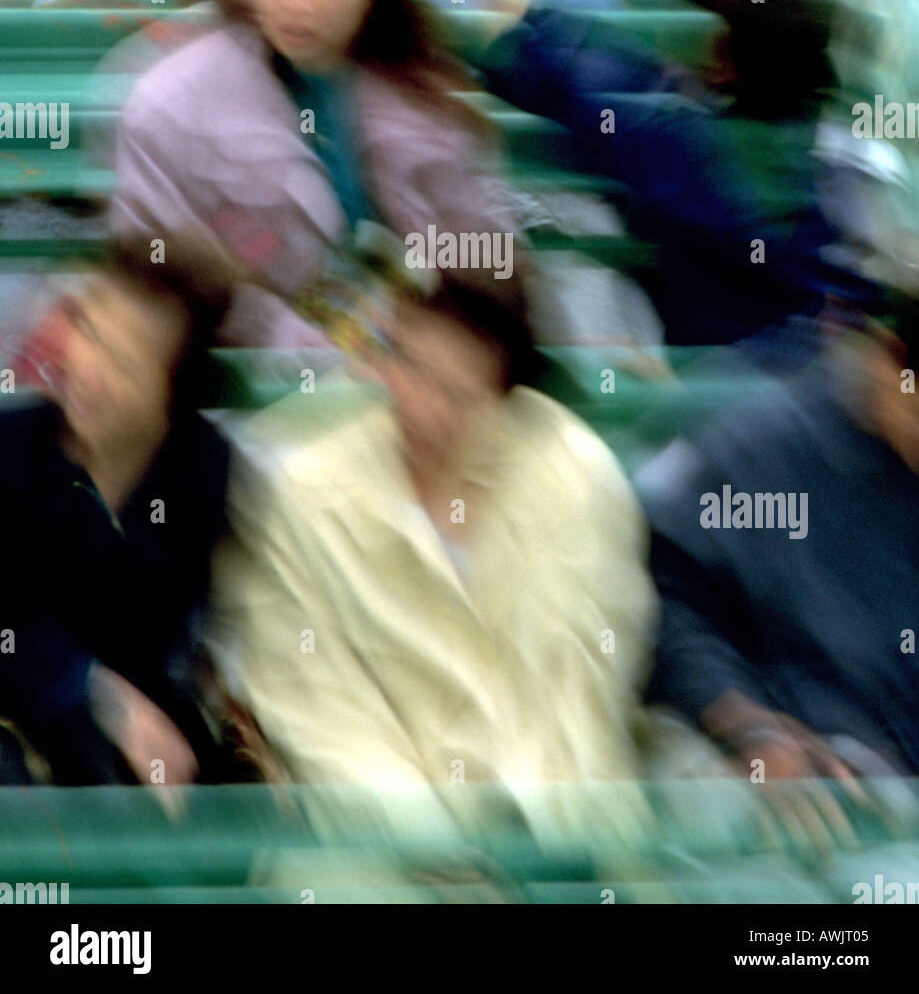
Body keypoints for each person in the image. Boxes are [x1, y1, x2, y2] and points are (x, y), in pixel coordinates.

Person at [216, 270, 655, 842]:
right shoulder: (304, 492)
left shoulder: (577, 477)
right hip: (375, 850)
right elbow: (318, 708)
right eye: (410, 367)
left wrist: (541, 845)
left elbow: (584, 696)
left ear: (505, 395)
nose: (423, 410)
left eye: (457, 395)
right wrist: (433, 845)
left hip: (568, 843)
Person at [110, 0, 517, 348]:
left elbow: (484, 246)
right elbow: (162, 277)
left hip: (421, 363)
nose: (299, 2)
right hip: (255, 380)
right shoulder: (171, 105)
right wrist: (313, 350)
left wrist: (432, 341)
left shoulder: (422, 94)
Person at [441, 0, 878, 360]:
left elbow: (580, 91)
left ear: (723, 57)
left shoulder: (694, 151)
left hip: (715, 371)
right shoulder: (839, 148)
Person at [637, 289, 919, 785]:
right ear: (886, 359)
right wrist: (748, 727)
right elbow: (670, 612)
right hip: (813, 783)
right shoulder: (757, 451)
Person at [0, 236, 233, 787]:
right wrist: (93, 688)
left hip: (134, 739)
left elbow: (165, 642)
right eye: (89, 335)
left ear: (174, 391)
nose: (88, 371)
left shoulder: (201, 469)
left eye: (124, 365)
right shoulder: (13, 452)